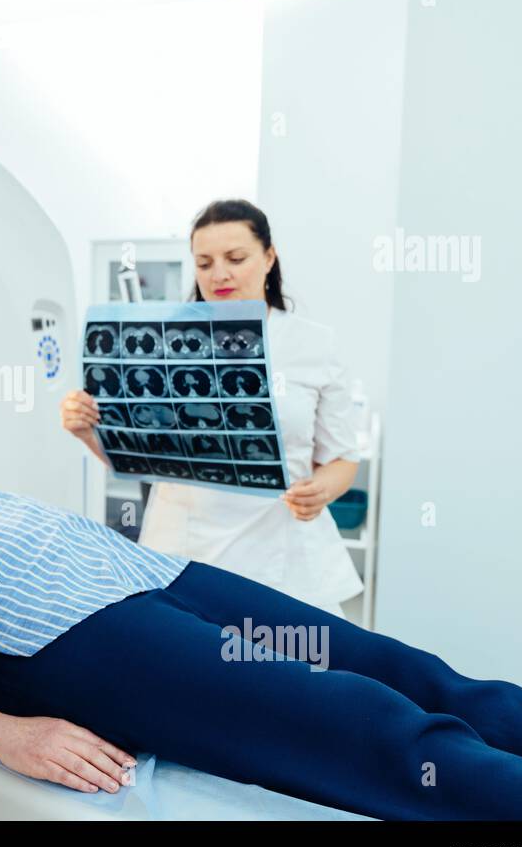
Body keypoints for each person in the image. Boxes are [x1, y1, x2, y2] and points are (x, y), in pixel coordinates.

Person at [0, 473, 522, 820]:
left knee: (426, 678)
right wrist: (2, 734)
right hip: (72, 638)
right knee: (377, 732)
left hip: (153, 575)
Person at [62, 199, 362, 616]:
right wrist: (88, 431)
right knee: (185, 673)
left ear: (269, 257)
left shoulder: (314, 344)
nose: (219, 274)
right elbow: (136, 460)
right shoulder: (159, 341)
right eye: (204, 263)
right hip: (181, 547)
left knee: (285, 674)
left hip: (281, 551)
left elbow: (344, 458)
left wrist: (322, 490)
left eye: (235, 258)